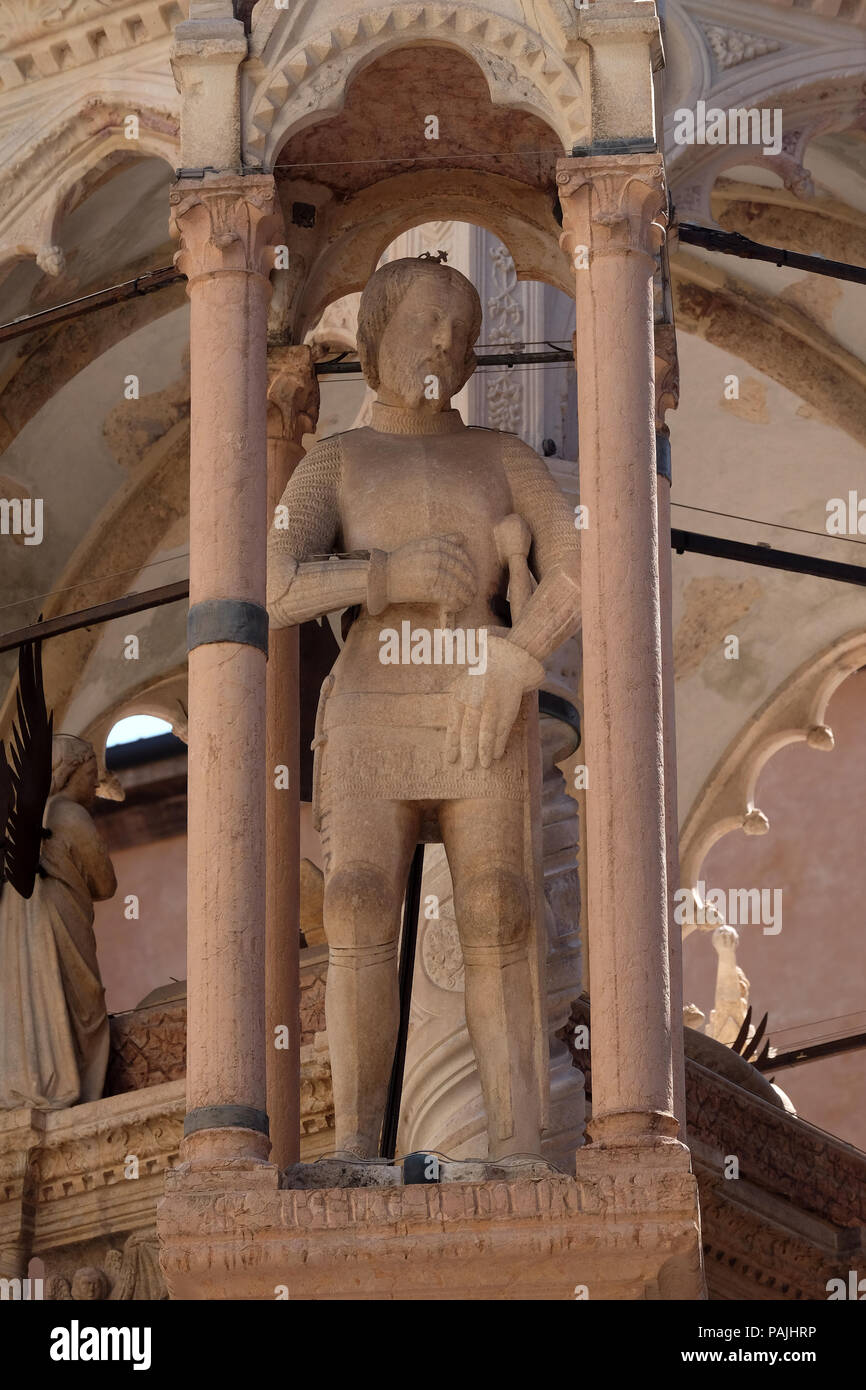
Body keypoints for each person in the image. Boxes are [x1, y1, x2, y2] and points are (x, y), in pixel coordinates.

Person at [0, 735, 116, 1109]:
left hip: (28, 929)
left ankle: (36, 1077)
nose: (96, 786)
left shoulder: (27, 821)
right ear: (68, 773)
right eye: (90, 775)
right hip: (62, 920)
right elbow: (106, 882)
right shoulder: (69, 814)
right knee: (83, 1000)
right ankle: (72, 1082)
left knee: (37, 986)